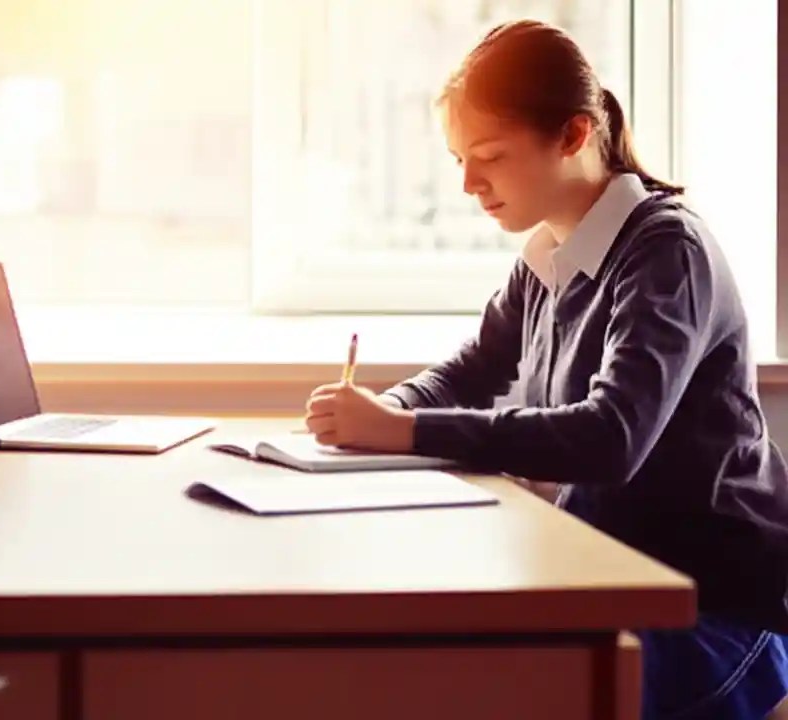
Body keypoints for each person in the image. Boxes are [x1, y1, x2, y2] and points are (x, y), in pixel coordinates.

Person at [303, 19, 788, 720]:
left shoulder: (666, 251)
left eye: (490, 156)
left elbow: (609, 438)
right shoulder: (547, 258)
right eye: (459, 158)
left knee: (514, 689)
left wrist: (403, 429)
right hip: (615, 578)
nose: (468, 182)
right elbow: (473, 370)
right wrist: (370, 418)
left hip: (717, 607)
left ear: (573, 135)